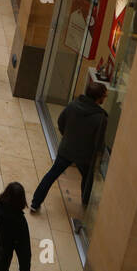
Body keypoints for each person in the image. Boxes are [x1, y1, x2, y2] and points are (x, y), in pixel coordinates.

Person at [30, 81, 108, 214]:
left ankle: (35, 203)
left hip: (66, 149)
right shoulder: (101, 118)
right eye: (104, 96)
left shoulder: (73, 105)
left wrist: (67, 137)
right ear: (98, 97)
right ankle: (85, 205)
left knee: (52, 174)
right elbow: (98, 143)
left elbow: (61, 122)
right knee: (87, 179)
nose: (104, 98)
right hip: (85, 156)